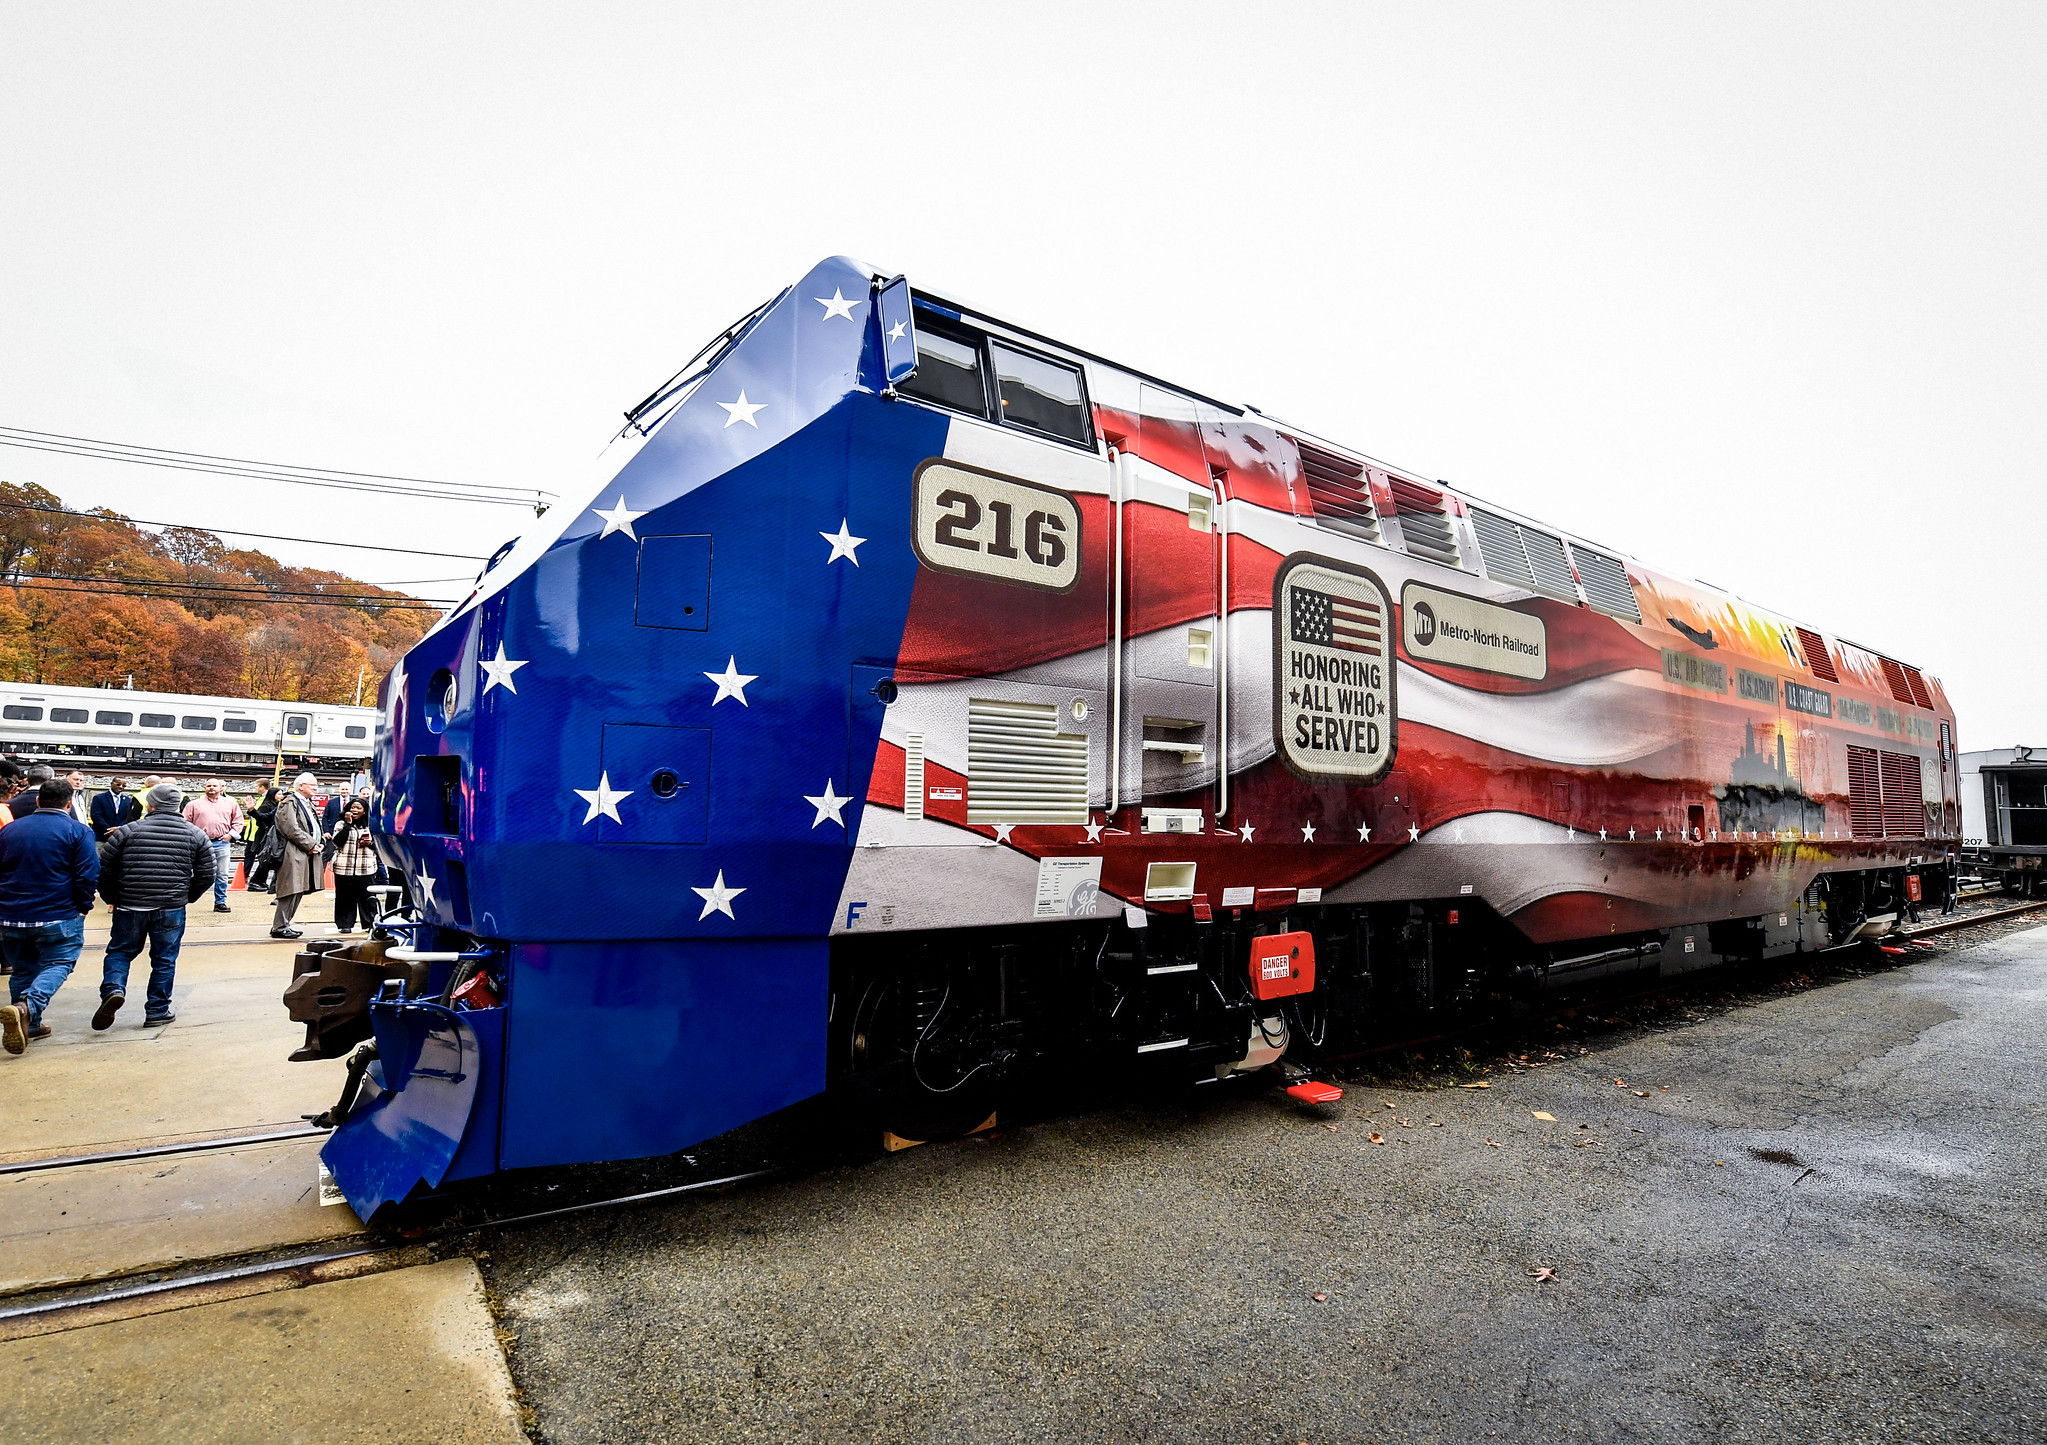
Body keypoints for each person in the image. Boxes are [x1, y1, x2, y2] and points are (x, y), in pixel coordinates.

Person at [92, 781, 214, 1030]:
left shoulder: (127, 831)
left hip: (129, 906)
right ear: (178, 806)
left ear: (150, 805)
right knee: (164, 958)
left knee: (120, 952)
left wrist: (112, 897)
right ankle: (157, 1010)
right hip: (170, 908)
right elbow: (207, 873)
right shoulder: (195, 834)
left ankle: (114, 989)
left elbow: (104, 869)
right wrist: (186, 896)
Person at [0, 778, 101, 1054]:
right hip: (57, 914)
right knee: (60, 961)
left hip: (10, 915)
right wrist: (83, 906)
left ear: (37, 801)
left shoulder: (10, 830)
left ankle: (31, 1026)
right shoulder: (78, 831)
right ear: (69, 803)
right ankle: (27, 1007)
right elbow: (87, 874)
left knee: (23, 967)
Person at [270, 772, 325, 940]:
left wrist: (320, 841)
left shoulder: (305, 802)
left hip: (304, 851)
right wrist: (311, 844)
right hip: (293, 851)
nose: (316, 788)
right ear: (300, 786)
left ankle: (283, 925)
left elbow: (314, 825)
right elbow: (290, 829)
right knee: (290, 889)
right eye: (312, 785)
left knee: (298, 889)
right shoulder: (289, 802)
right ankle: (280, 927)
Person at [181, 779, 245, 914]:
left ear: (221, 788)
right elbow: (185, 823)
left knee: (222, 874)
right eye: (208, 786)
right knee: (192, 872)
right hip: (200, 844)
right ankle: (184, 899)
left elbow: (238, 821)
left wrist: (230, 835)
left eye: (214, 786)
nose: (211, 788)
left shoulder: (231, 804)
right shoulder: (193, 804)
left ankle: (220, 902)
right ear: (204, 788)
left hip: (222, 842)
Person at [328, 798, 384, 932]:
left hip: (366, 867)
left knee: (368, 897)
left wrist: (370, 843)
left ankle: (370, 923)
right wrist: (348, 825)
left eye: (358, 808)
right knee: (344, 897)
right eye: (352, 807)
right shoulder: (341, 824)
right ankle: (345, 924)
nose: (354, 810)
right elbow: (337, 842)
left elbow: (380, 845)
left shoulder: (371, 825)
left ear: (364, 811)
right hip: (343, 867)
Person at [245, 786, 281, 892]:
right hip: (265, 837)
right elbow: (262, 818)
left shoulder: (278, 806)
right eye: (279, 794)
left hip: (271, 836)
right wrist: (251, 810)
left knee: (268, 860)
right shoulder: (267, 806)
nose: (281, 796)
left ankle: (261, 882)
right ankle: (256, 882)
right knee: (266, 859)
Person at [90, 777, 142, 841]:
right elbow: (96, 815)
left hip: (119, 837)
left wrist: (118, 829)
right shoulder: (99, 798)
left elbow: (127, 817)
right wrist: (108, 829)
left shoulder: (128, 800)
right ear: (111, 784)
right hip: (101, 835)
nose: (121, 787)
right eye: (118, 784)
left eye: (124, 786)